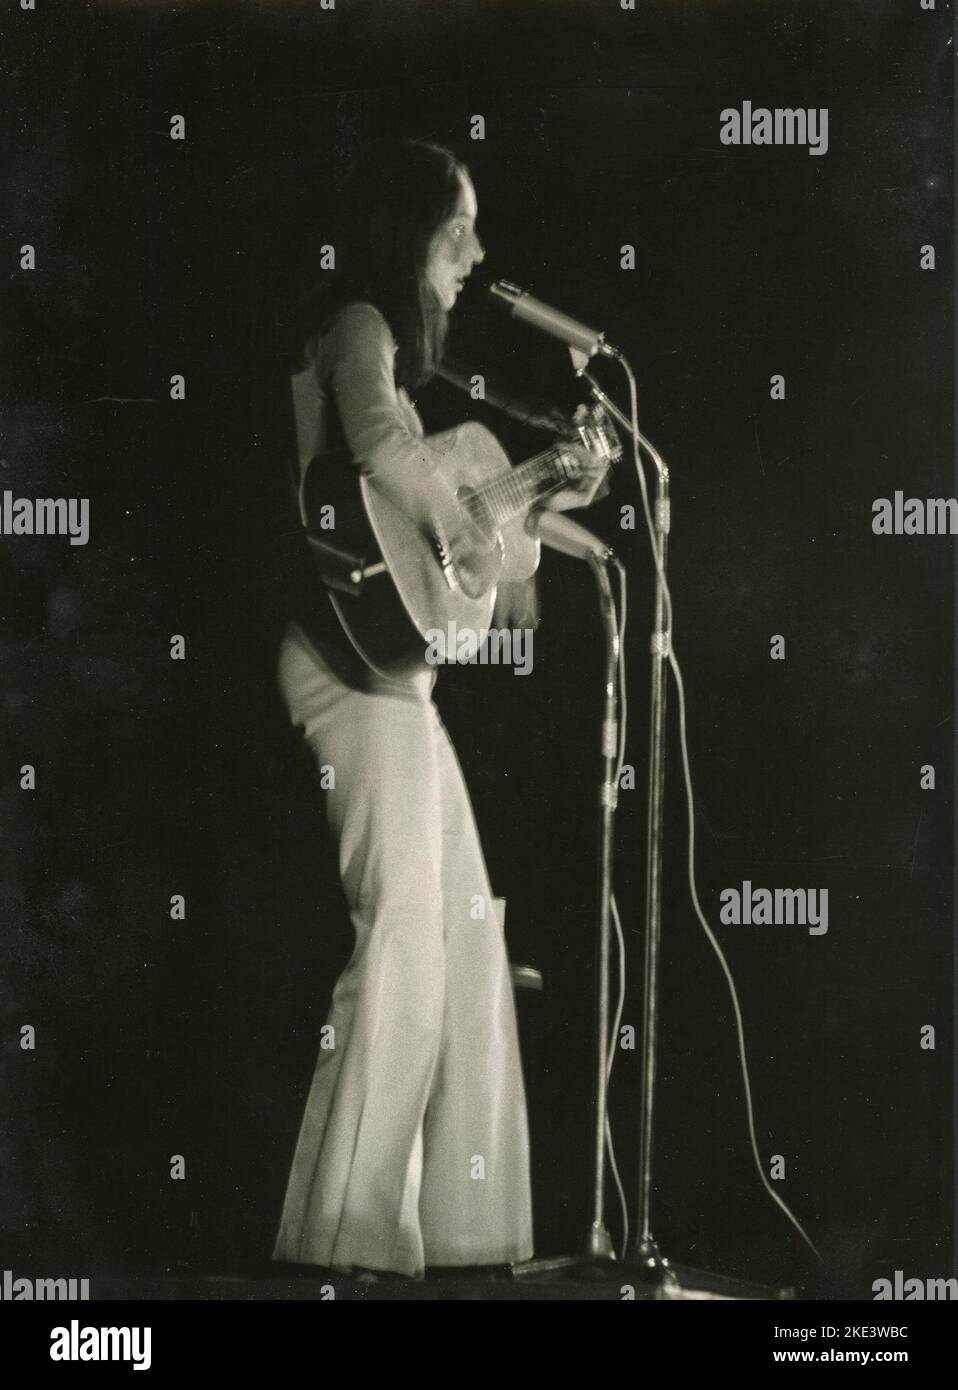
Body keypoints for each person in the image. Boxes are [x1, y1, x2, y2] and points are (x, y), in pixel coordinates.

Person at [271, 139, 606, 1278]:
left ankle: (457, 1238)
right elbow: (374, 447)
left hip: (398, 679)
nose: (474, 253)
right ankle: (344, 1246)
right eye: (457, 229)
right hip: (349, 670)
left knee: (462, 940)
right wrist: (469, 527)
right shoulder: (359, 324)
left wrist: (546, 490)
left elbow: (475, 556)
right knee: (409, 940)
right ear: (406, 230)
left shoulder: (428, 389)